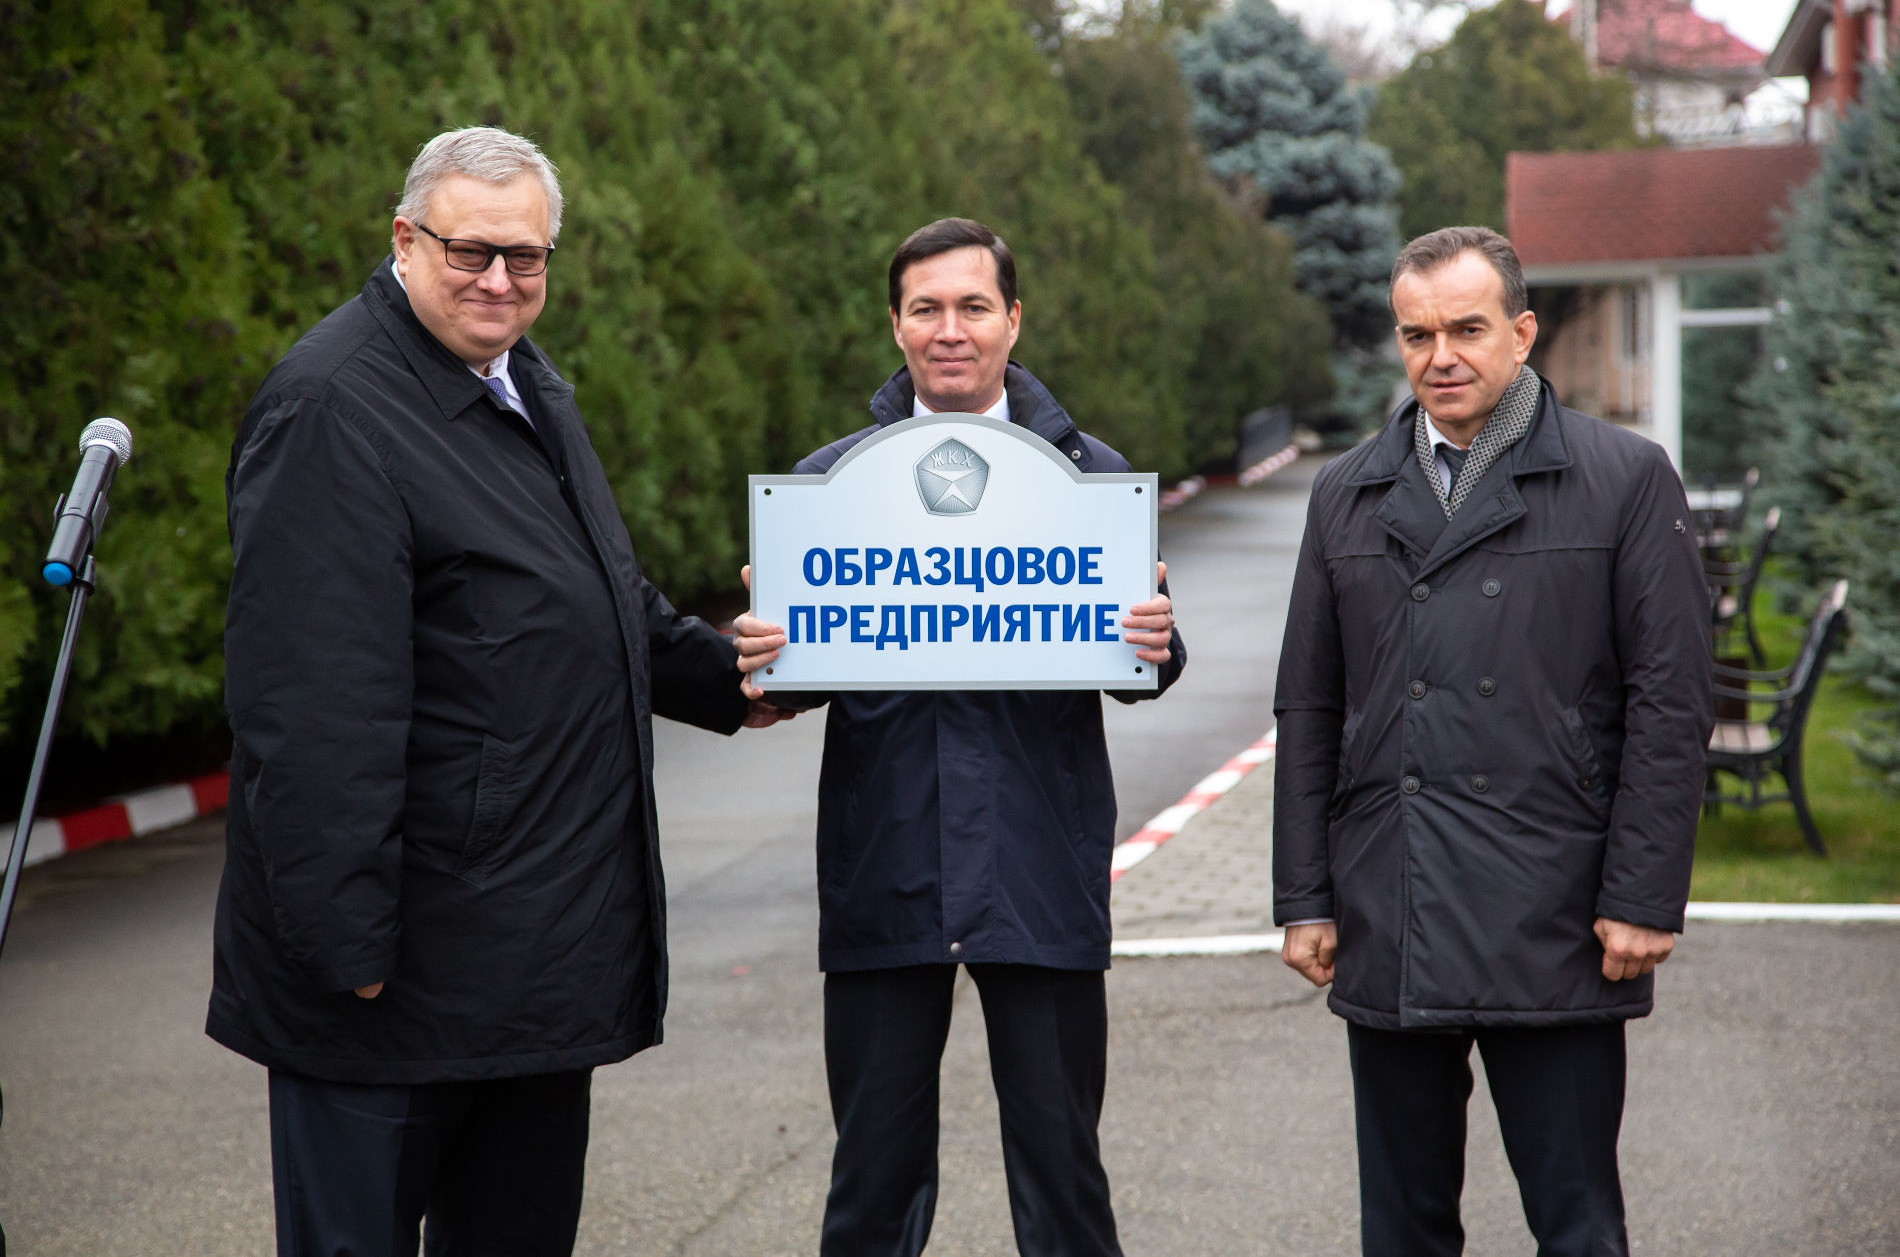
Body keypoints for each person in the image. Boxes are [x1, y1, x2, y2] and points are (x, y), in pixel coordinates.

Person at [209, 126, 788, 1257]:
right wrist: (345, 952)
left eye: (525, 257)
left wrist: (735, 678)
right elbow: (312, 707)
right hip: (392, 984)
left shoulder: (518, 380)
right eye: (469, 251)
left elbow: (593, 596)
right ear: (404, 239)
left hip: (525, 965)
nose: (498, 279)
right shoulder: (334, 407)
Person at [733, 217, 1185, 1257]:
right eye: (926, 308)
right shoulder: (827, 488)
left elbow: (1142, 665)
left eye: (973, 306)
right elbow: (796, 677)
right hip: (886, 863)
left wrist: (1159, 643)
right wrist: (764, 654)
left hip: (1039, 865)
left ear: (1012, 320)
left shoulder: (1092, 479)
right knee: (873, 1182)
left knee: (1064, 1179)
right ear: (895, 324)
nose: (950, 329)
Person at [1272, 225, 1712, 1256]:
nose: (1441, 357)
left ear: (1521, 333)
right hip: (1394, 903)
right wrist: (1304, 896)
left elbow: (1669, 700)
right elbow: (1310, 706)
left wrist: (1643, 896)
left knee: (1577, 1225)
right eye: (1416, 334)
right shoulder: (1346, 491)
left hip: (1555, 914)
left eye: (1466, 329)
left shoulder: (1625, 477)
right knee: (1402, 1231)